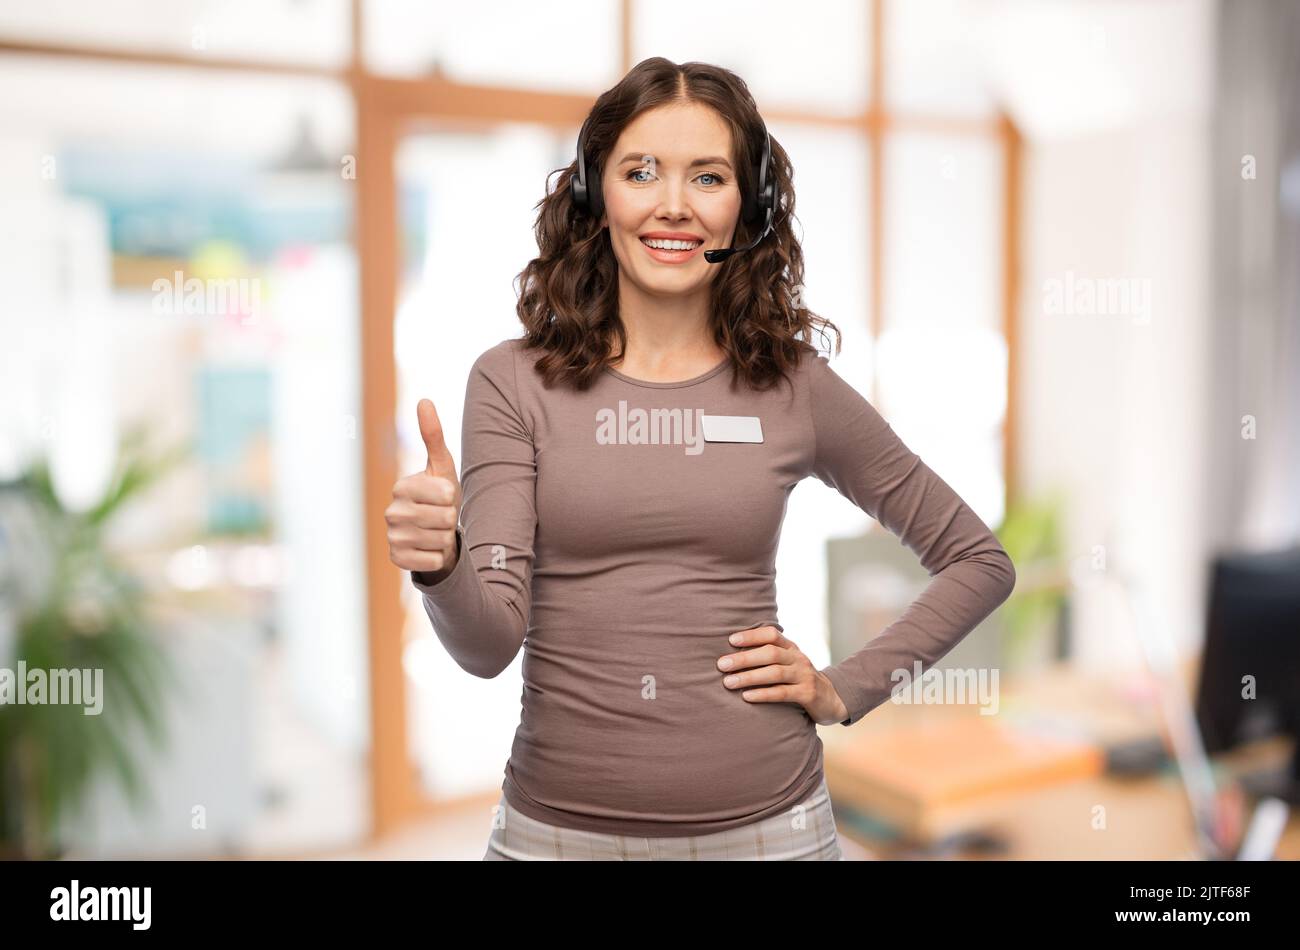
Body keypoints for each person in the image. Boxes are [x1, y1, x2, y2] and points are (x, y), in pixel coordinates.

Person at [385, 57, 1016, 861]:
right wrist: (442, 563)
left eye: (708, 177)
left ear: (746, 206)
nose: (673, 205)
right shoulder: (512, 382)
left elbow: (978, 559)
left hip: (771, 834)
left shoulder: (794, 387)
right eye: (640, 171)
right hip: (555, 837)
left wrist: (843, 687)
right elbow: (486, 648)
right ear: (593, 193)